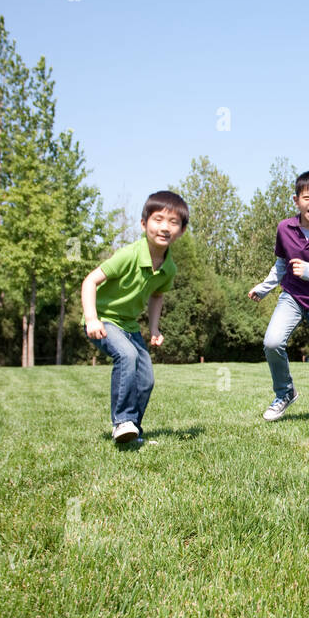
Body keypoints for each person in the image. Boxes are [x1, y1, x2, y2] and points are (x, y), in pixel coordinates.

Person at [81, 190, 188, 446]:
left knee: (146, 378)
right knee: (126, 356)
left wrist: (154, 329)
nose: (165, 227)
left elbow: (157, 296)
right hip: (104, 319)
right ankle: (122, 421)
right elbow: (90, 281)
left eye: (173, 223)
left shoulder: (168, 267)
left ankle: (132, 431)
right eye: (158, 219)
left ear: (182, 231)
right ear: (144, 224)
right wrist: (91, 318)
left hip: (129, 327)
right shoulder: (128, 254)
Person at [248, 170, 309, 422]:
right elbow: (281, 265)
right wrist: (263, 288)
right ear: (296, 200)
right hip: (293, 297)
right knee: (272, 343)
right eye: (307, 197)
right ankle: (285, 393)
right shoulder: (285, 228)